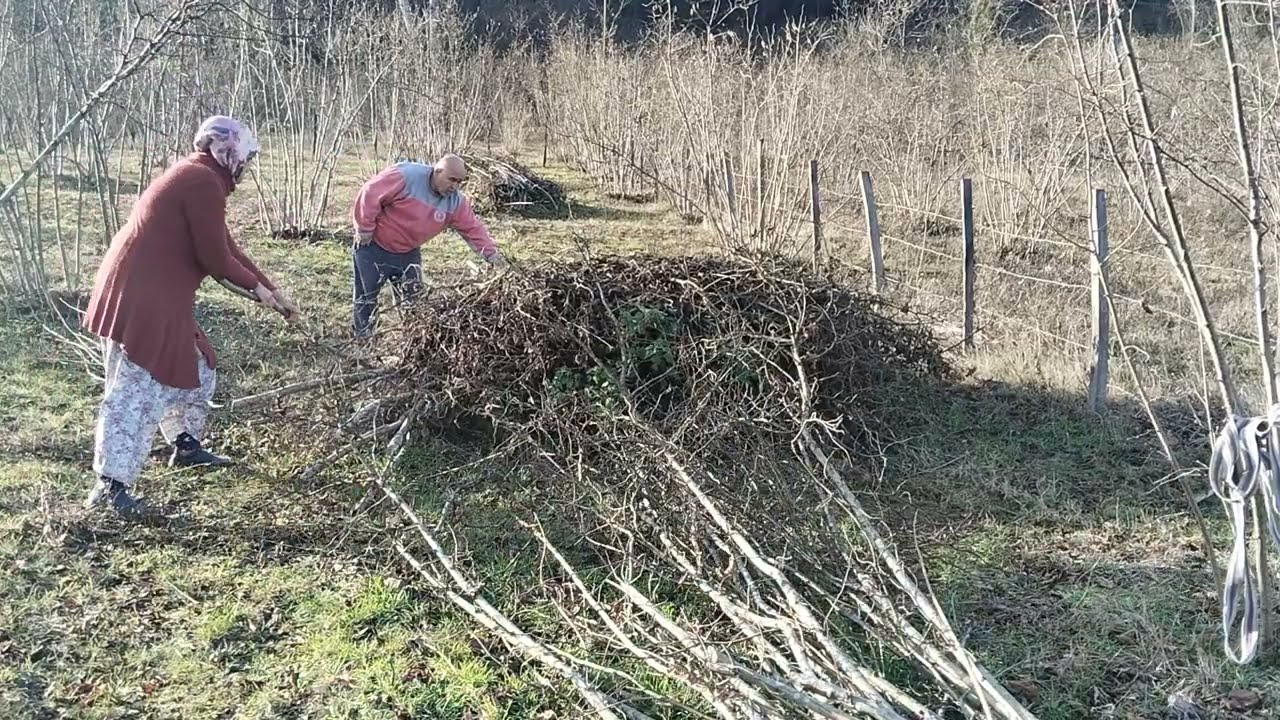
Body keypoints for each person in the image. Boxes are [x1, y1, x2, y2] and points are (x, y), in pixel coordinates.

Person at [80, 115, 300, 516]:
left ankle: (185, 445)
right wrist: (258, 291)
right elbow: (215, 259)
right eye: (245, 158)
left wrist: (271, 290)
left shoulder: (200, 176)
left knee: (198, 365)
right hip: (143, 297)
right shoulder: (202, 182)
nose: (247, 166)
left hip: (155, 292)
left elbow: (227, 247)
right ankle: (110, 487)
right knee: (134, 392)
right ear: (227, 152)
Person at [349, 154, 508, 337]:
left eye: (459, 182)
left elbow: (472, 229)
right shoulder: (406, 176)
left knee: (413, 302)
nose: (455, 186)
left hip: (408, 252)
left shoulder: (455, 202)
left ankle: (410, 340)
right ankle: (363, 341)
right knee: (366, 298)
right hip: (374, 247)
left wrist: (492, 255)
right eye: (452, 179)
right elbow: (370, 192)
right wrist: (364, 228)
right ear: (437, 171)